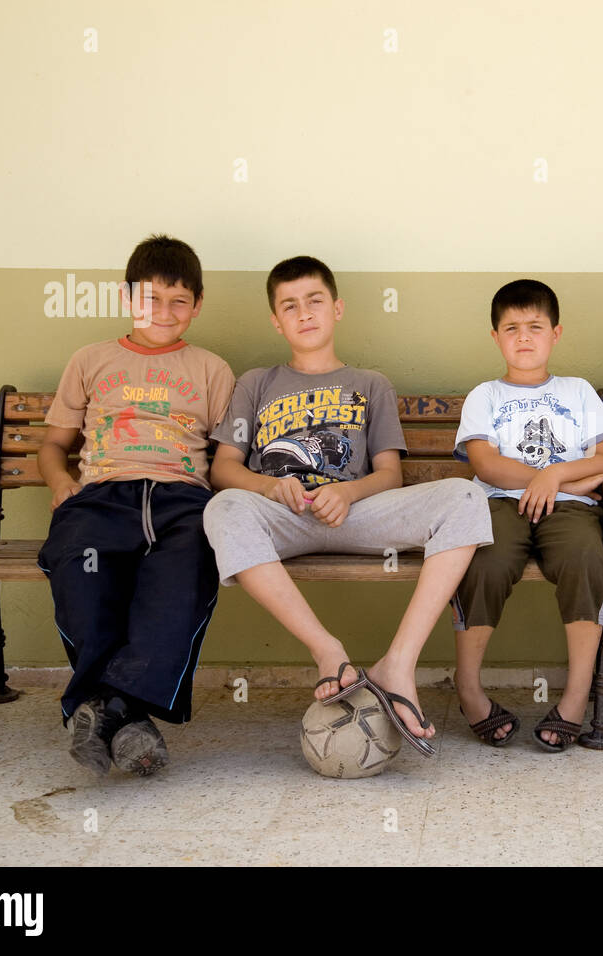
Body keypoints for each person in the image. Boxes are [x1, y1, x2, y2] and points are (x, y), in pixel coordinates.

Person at [202, 255, 491, 756]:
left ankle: (397, 665)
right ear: (276, 320)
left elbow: (389, 474)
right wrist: (271, 488)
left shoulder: (370, 383)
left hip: (356, 514)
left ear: (337, 308)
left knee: (466, 495)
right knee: (223, 507)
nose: (304, 312)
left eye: (314, 300)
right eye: (289, 305)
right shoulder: (256, 383)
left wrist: (347, 491)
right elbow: (224, 467)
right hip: (283, 518)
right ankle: (328, 651)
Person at [37, 234, 235, 776]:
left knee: (183, 581)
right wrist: (60, 485)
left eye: (179, 301)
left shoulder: (212, 370)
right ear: (128, 299)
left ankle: (104, 707)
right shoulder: (90, 360)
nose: (164, 312)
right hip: (102, 496)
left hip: (183, 499)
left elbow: (228, 454)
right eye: (150, 298)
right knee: (77, 572)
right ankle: (128, 715)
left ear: (196, 306)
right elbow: (53, 445)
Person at [451, 279, 603, 751]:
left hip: (568, 509)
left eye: (535, 327)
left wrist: (556, 480)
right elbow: (486, 465)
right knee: (484, 563)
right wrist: (550, 477)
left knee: (586, 560)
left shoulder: (578, 391)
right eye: (511, 328)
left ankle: (575, 696)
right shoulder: (485, 395)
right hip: (500, 502)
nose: (523, 337)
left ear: (556, 333)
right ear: (495, 337)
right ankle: (469, 689)